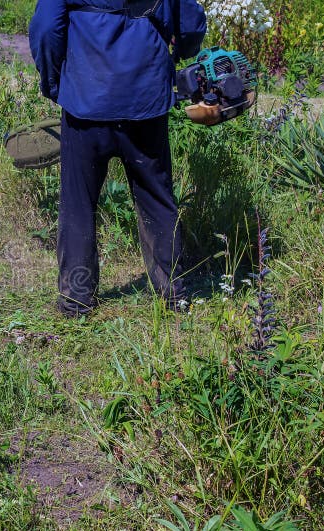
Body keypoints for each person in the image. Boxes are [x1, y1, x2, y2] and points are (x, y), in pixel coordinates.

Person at [29, 0, 207, 316]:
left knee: (78, 204)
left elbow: (46, 29)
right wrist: (177, 56)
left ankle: (76, 300)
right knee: (156, 198)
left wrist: (55, 83)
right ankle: (172, 295)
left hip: (86, 101)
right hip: (146, 99)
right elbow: (191, 24)